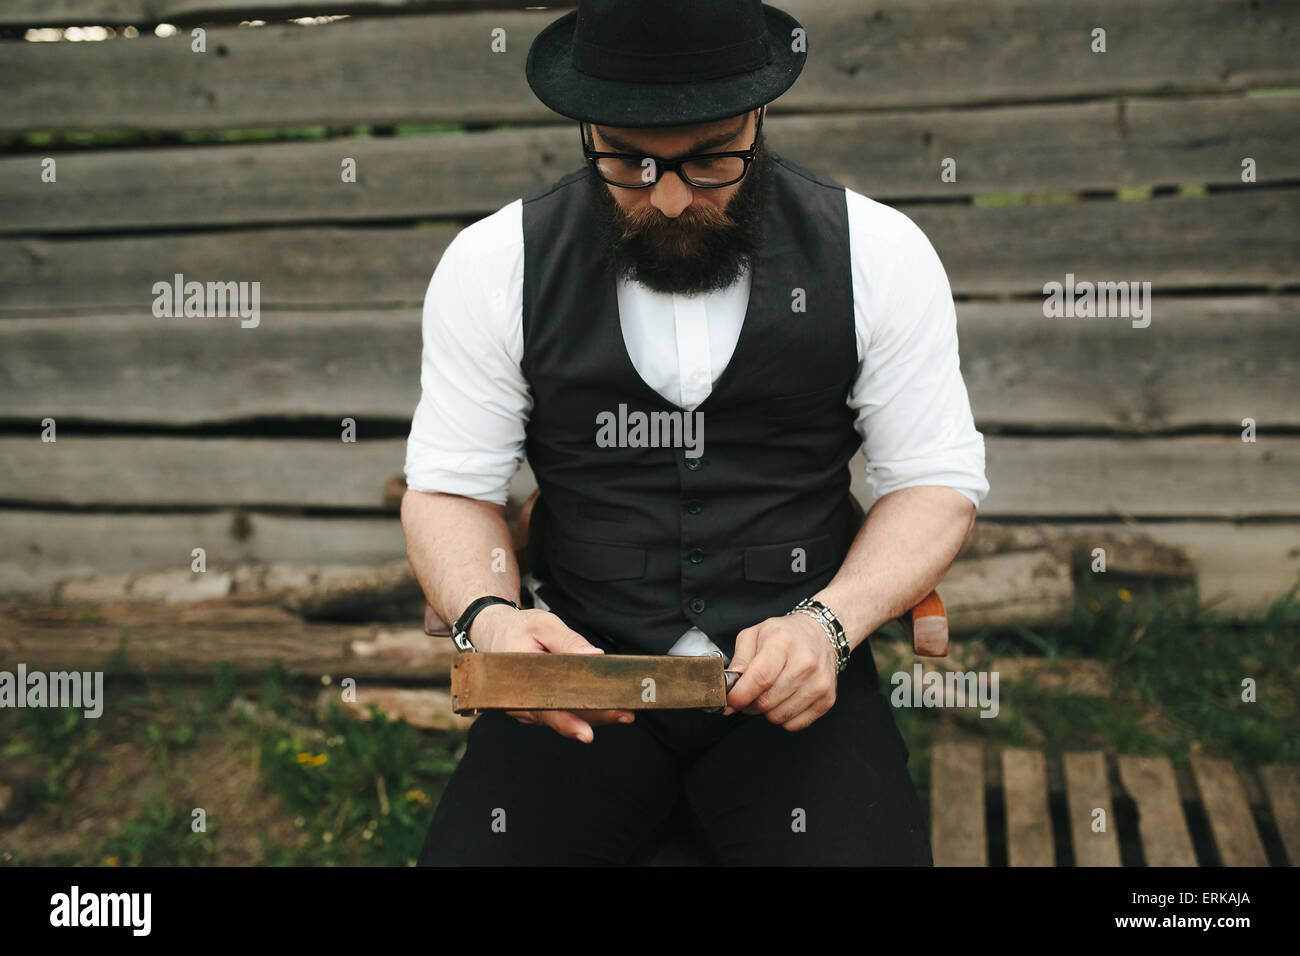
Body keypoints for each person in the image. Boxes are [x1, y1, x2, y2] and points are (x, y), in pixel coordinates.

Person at [402, 0, 988, 865]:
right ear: (585, 130)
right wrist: (488, 618)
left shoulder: (880, 254)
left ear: (760, 117)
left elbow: (935, 485)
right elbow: (450, 488)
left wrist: (828, 626)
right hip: (582, 675)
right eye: (629, 162)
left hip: (798, 682)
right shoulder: (493, 266)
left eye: (710, 160)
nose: (670, 197)